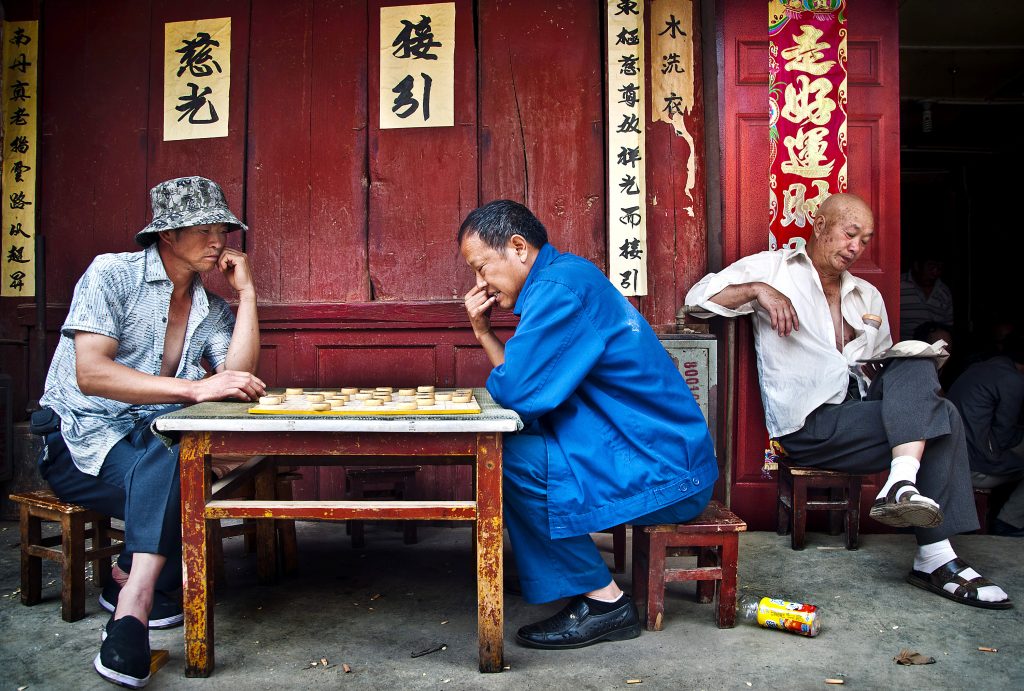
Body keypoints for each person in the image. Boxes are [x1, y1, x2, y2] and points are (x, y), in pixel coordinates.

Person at [685, 193, 1010, 610]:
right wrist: (757, 290)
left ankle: (903, 484)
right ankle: (933, 555)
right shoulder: (775, 269)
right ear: (819, 225)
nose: (856, 247)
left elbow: (884, 367)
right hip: (810, 425)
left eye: (865, 239)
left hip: (864, 414)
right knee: (943, 415)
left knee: (916, 361)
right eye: (850, 233)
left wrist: (923, 370)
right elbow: (695, 301)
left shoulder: (867, 296)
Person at [34, 176, 266, 688]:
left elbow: (238, 378)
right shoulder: (111, 274)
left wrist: (246, 294)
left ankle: (132, 581)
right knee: (184, 465)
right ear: (165, 236)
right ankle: (140, 601)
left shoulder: (211, 308)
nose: (217, 241)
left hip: (151, 443)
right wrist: (193, 390)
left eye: (222, 228)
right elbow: (91, 373)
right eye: (202, 229)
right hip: (78, 439)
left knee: (176, 455)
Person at [459, 200, 718, 649]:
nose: (481, 284)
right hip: (644, 451)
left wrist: (485, 337)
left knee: (513, 460)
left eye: (482, 268)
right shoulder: (560, 281)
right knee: (522, 445)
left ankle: (605, 602)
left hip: (665, 468)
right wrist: (484, 333)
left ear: (518, 247)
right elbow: (527, 392)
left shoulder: (560, 291)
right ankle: (560, 570)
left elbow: (518, 393)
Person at [947, 335, 1024, 537]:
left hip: (952, 458)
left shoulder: (981, 368)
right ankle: (1010, 523)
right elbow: (1003, 437)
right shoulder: (1013, 379)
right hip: (974, 468)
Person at [900, 253, 954, 341]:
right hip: (900, 349)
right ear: (917, 266)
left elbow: (948, 326)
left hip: (933, 351)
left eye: (939, 267)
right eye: (931, 266)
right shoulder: (898, 285)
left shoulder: (944, 292)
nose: (935, 272)